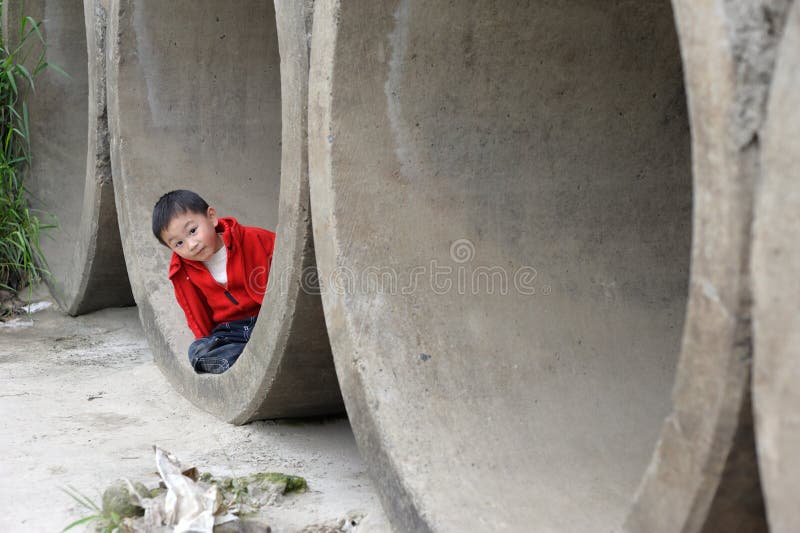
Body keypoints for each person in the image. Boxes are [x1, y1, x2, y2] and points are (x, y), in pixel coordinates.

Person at [152, 190, 275, 374]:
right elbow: (194, 309)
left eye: (193, 231)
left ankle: (258, 351)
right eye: (178, 244)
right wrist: (205, 338)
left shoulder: (255, 239)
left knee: (277, 332)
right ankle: (248, 355)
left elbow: (291, 267)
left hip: (267, 317)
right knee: (198, 351)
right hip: (232, 330)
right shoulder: (183, 271)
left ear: (212, 217)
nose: (191, 245)